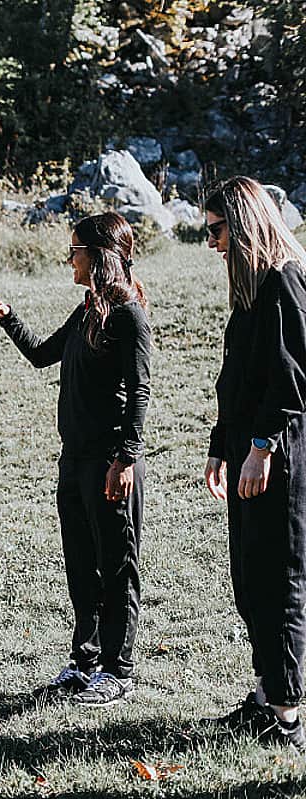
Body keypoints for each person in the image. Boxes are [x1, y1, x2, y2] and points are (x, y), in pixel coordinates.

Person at [0, 211, 150, 708]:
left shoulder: (128, 314)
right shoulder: (88, 309)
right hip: (73, 460)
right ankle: (85, 662)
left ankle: (118, 670)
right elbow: (42, 354)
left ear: (98, 256)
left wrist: (125, 459)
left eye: (75, 250)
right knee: (80, 564)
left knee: (117, 566)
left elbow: (140, 391)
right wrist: (7, 317)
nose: (68, 258)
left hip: (110, 462)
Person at [200, 177, 306, 749]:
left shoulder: (285, 279)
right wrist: (223, 444)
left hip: (280, 452)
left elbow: (292, 376)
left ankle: (286, 717)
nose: (211, 240)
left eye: (217, 228)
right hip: (246, 449)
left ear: (242, 224)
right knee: (249, 578)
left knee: (278, 579)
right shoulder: (251, 286)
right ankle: (267, 692)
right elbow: (237, 377)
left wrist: (261, 448)